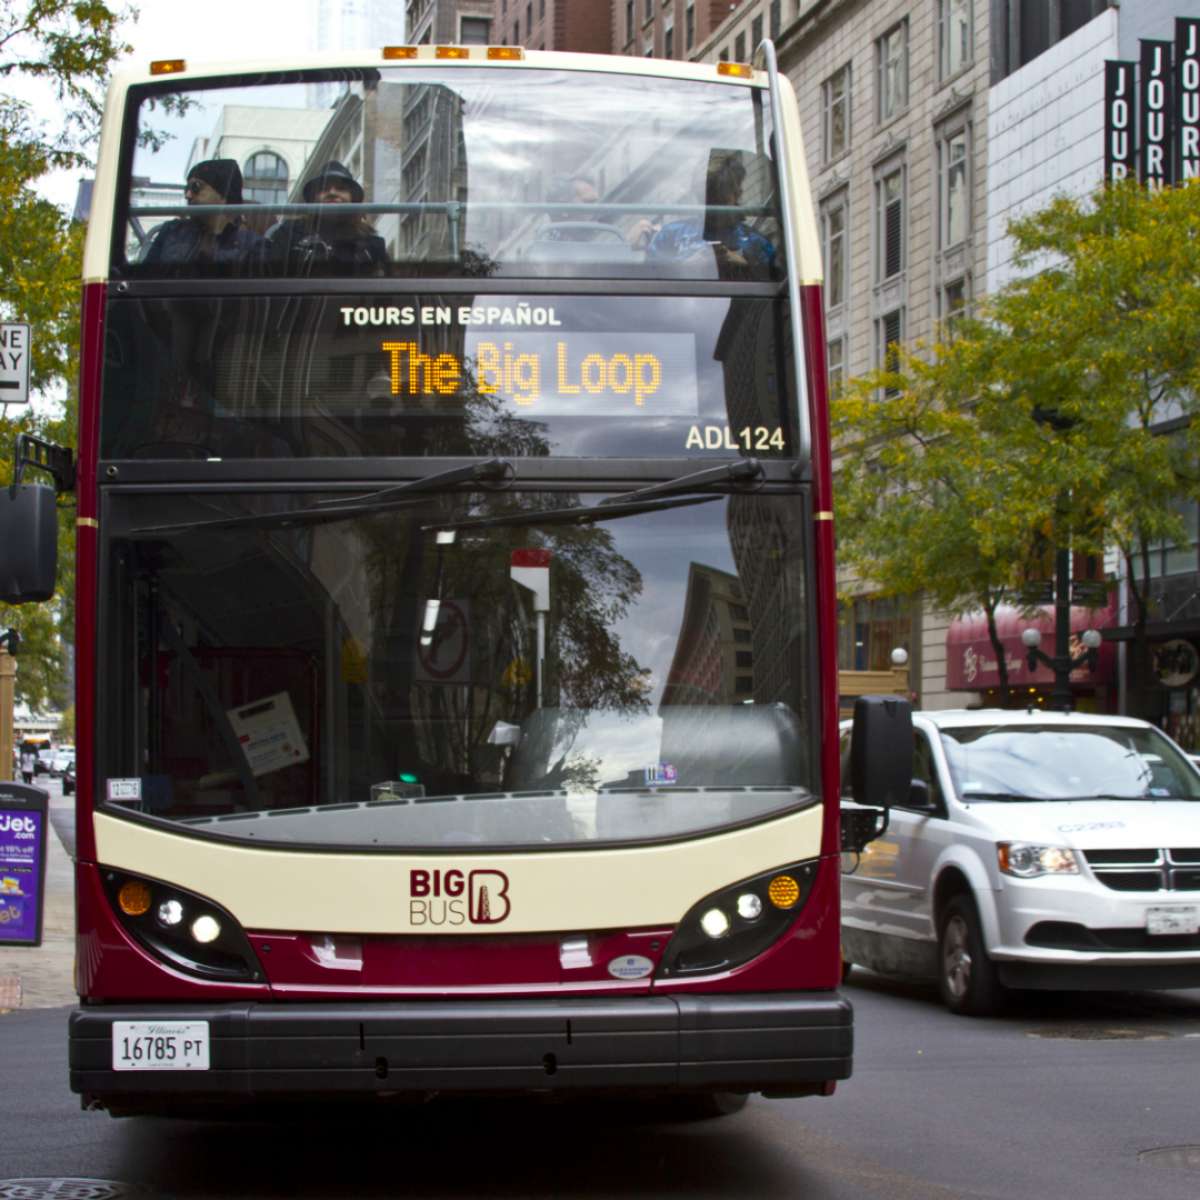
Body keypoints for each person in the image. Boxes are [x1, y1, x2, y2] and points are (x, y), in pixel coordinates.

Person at [647, 150, 775, 271]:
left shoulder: (756, 243)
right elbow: (652, 280)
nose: (713, 209)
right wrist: (687, 266)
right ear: (699, 196)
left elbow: (773, 281)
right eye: (709, 199)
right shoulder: (670, 236)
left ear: (737, 194)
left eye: (720, 200)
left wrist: (743, 264)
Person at [266, 161, 389, 275]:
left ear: (353, 200)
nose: (332, 192)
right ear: (313, 199)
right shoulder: (290, 233)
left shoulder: (372, 245)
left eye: (341, 189)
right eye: (324, 189)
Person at [141, 159, 264, 271]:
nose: (187, 195)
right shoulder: (171, 231)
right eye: (187, 189)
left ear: (223, 195)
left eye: (196, 187)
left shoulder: (252, 245)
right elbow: (146, 278)